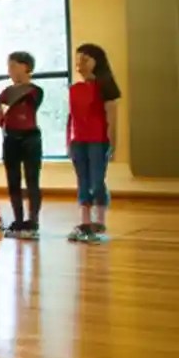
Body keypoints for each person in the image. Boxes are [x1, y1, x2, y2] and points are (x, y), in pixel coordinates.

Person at [67, 43, 120, 244]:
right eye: (78, 60)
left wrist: (112, 144)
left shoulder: (105, 88)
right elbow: (70, 118)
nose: (80, 64)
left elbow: (112, 118)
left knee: (97, 181)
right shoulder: (75, 89)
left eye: (85, 59)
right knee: (83, 181)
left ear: (96, 62)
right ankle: (85, 222)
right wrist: (69, 142)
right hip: (78, 140)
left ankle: (100, 221)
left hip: (98, 140)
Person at [0, 51, 44, 239]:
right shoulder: (5, 92)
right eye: (9, 66)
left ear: (27, 67)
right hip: (11, 137)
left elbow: (25, 102)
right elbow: (1, 116)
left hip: (30, 137)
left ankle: (32, 220)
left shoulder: (35, 90)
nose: (11, 70)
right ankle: (17, 219)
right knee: (13, 180)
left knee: (32, 179)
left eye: (15, 65)